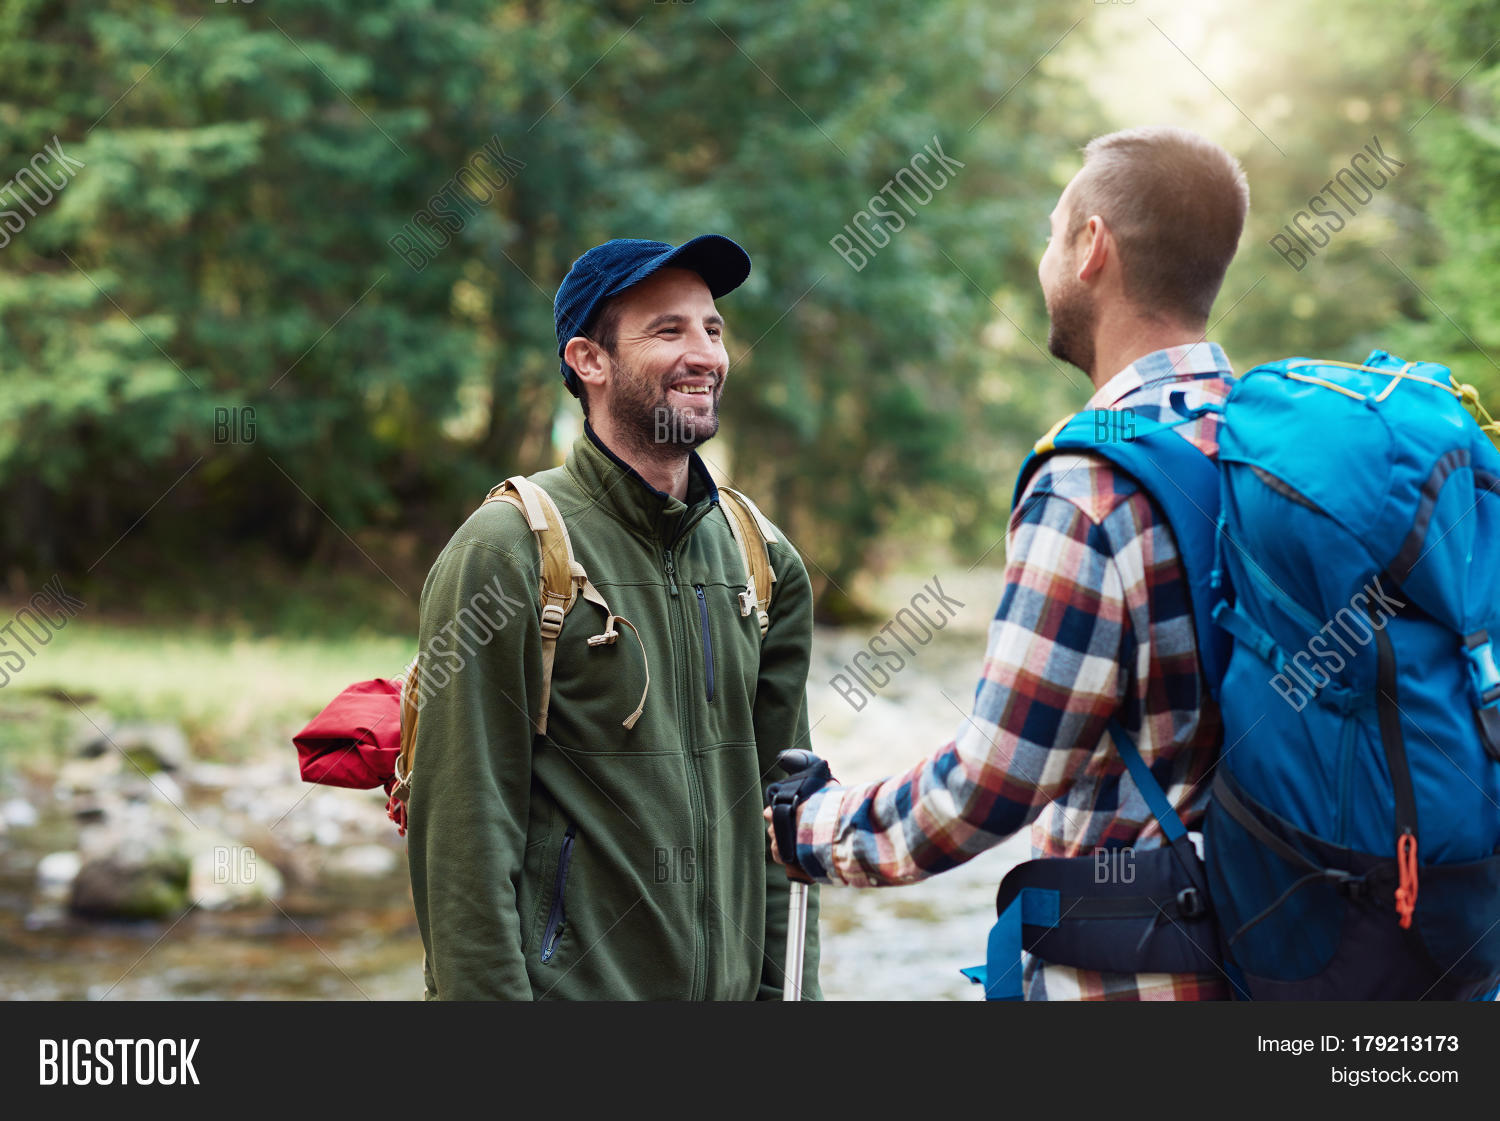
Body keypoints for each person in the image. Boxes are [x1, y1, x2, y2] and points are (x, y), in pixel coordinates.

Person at [769, 126, 1250, 1000]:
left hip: (1143, 982)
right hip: (1298, 958)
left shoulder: (1094, 485)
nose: (1043, 261)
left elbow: (987, 787)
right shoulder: (1274, 443)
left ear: (1092, 246)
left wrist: (806, 827)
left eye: (1051, 232)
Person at [407, 235, 820, 1000]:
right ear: (589, 361)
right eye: (668, 330)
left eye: (713, 328)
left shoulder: (763, 559)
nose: (705, 353)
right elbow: (463, 839)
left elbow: (782, 826)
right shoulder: (507, 551)